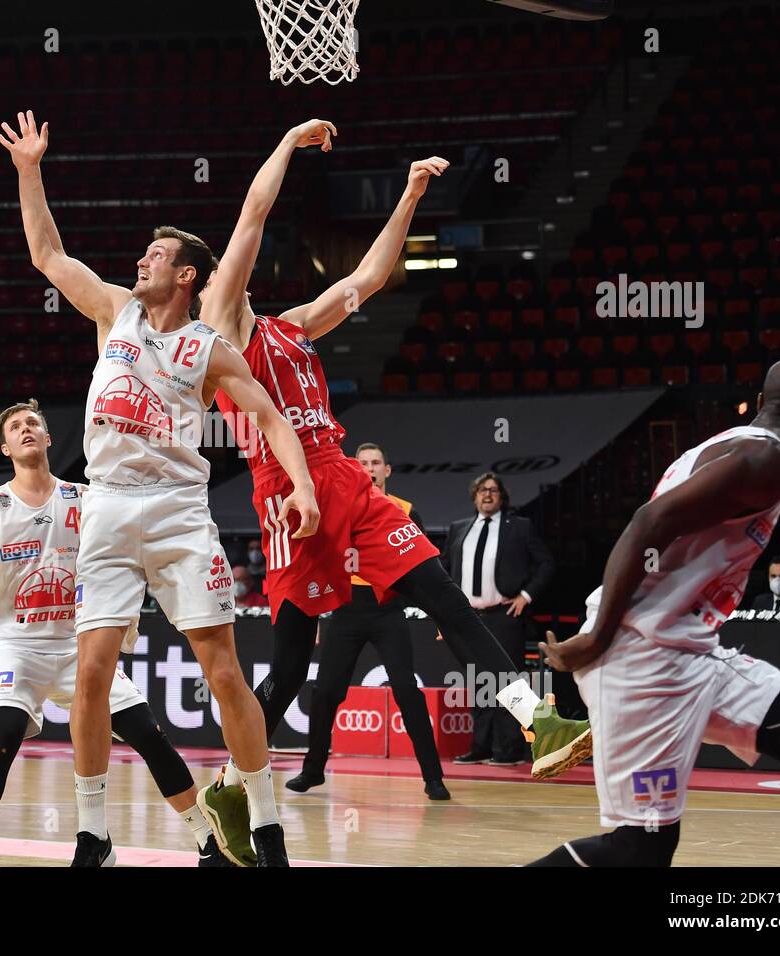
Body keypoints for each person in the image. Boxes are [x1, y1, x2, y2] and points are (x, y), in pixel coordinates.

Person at [197, 120, 590, 825]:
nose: (237, 271)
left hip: (346, 477)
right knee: (290, 668)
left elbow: (369, 278)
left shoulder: (291, 323)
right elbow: (254, 214)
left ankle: (542, 723)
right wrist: (284, 142)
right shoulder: (219, 331)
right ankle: (230, 782)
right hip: (289, 494)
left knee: (443, 598)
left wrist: (409, 194)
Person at [0, 111, 321, 867]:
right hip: (105, 504)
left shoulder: (208, 347)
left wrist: (301, 487)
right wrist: (28, 168)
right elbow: (47, 254)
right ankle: (93, 835)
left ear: (187, 275)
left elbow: (273, 418)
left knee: (223, 670)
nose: (140, 259)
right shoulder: (115, 311)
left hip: (178, 511)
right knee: (91, 674)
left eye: (156, 254)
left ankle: (267, 826)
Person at [531, 358, 780, 867]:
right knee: (639, 849)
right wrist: (598, 637)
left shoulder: (727, 443)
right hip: (643, 659)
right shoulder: (766, 460)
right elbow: (646, 524)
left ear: (763, 404)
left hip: (692, 654)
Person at [0, 399, 232, 867]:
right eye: (16, 427)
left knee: (147, 733)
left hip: (81, 643)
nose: (26, 429)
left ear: (50, 438)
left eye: (34, 422)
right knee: (5, 732)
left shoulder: (86, 496)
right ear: (5, 446)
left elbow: (128, 559)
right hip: (16, 646)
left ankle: (207, 843)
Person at [287, 442, 450, 800]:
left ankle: (433, 778)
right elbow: (315, 563)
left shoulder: (404, 510)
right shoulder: (335, 508)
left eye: (376, 463)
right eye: (362, 463)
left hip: (387, 611)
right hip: (345, 611)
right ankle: (312, 771)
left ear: (387, 470)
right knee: (325, 691)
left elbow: (425, 570)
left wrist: (442, 615)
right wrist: (312, 613)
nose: (370, 468)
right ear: (353, 469)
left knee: (407, 690)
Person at [442, 472, 555, 766]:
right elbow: (443, 571)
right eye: (482, 490)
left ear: (502, 496)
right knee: (477, 683)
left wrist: (526, 595)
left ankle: (508, 750)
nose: (487, 494)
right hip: (467, 619)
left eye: (493, 490)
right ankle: (480, 747)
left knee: (507, 682)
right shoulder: (459, 528)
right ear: (474, 496)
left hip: (502, 616)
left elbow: (546, 563)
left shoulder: (519, 527)